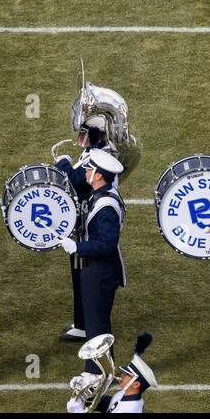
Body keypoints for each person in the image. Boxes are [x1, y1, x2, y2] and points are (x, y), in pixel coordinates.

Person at [61, 149, 126, 373]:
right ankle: (102, 368)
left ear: (98, 175)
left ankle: (97, 372)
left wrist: (78, 247)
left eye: (89, 169)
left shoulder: (106, 205)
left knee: (97, 325)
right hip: (95, 269)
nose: (85, 172)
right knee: (95, 323)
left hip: (100, 271)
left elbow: (107, 243)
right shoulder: (99, 193)